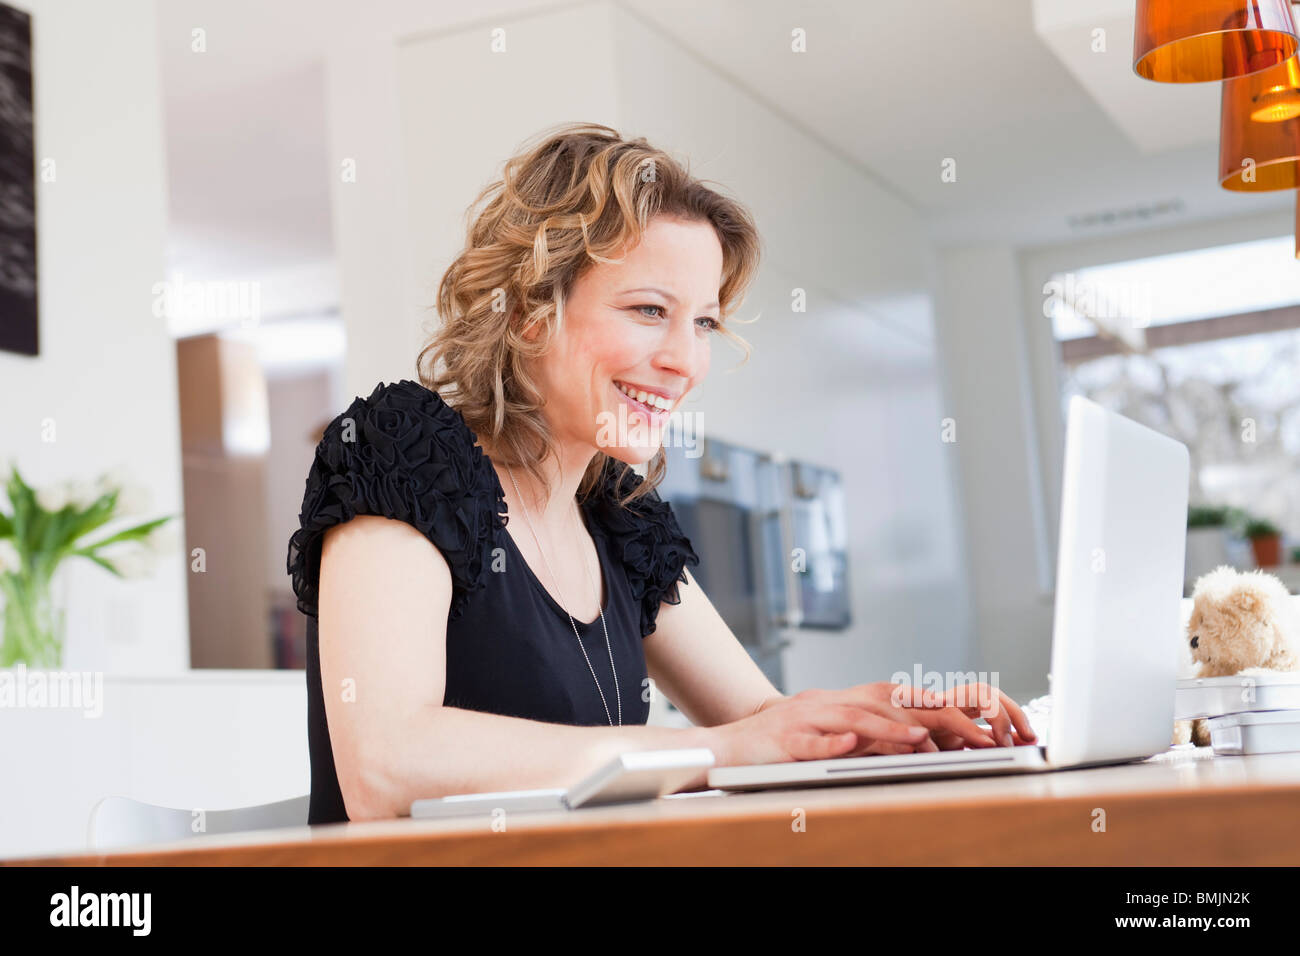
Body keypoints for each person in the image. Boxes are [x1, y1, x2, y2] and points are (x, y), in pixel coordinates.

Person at [286, 122, 1035, 824]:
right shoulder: (402, 451)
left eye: (703, 322)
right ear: (526, 313)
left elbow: (759, 722)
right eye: (649, 310)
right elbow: (385, 767)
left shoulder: (617, 511)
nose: (686, 361)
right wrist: (721, 751)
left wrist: (897, 718)